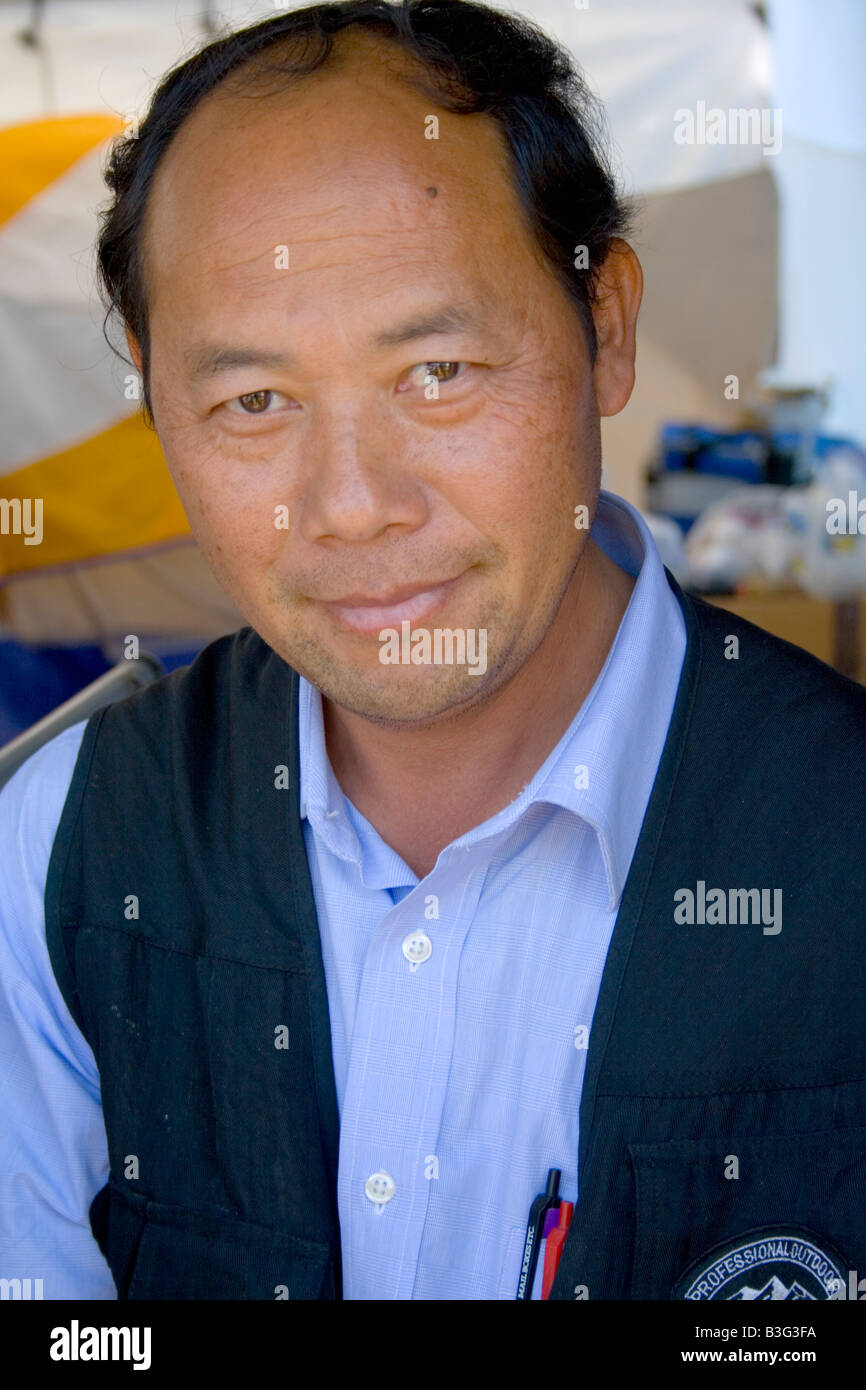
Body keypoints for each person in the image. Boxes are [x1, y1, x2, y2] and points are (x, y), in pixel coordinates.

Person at [1, 0, 864, 1303]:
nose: (353, 503)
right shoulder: (60, 848)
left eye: (439, 370)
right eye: (253, 401)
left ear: (605, 325)